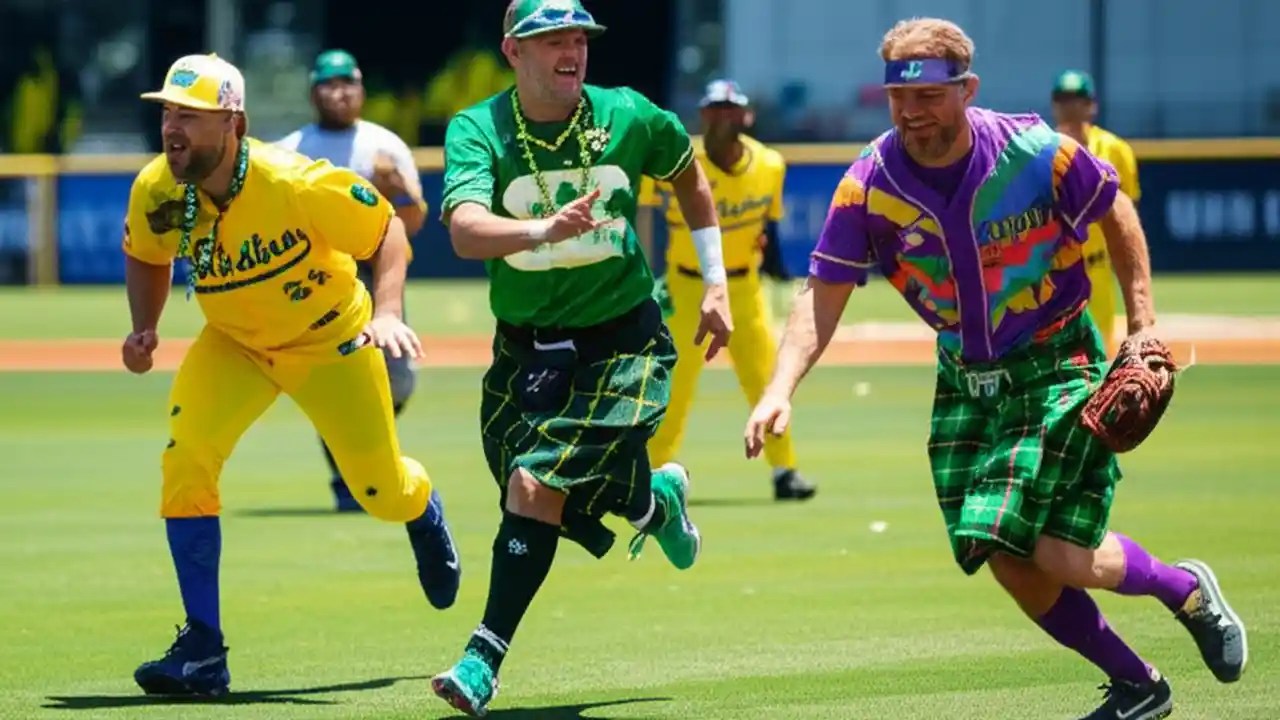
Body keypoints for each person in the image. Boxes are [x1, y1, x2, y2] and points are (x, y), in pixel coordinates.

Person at [744, 19, 1246, 720]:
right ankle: (1151, 663)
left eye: (930, 97)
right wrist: (778, 388)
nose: (912, 114)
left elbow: (1117, 212)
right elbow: (820, 299)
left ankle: (1175, 609)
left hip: (1057, 360)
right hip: (966, 379)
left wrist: (1143, 328)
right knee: (1021, 561)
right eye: (898, 98)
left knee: (1044, 551)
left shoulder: (1034, 151)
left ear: (967, 89)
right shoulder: (868, 186)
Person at [120, 53, 461, 697]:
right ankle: (202, 651)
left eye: (191, 116)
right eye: (167, 111)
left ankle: (421, 508)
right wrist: (145, 327)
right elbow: (146, 252)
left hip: (329, 338)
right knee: (187, 460)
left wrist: (388, 312)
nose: (173, 127)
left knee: (379, 492)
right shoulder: (159, 187)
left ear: (234, 124)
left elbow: (387, 230)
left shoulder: (297, 181)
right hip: (236, 344)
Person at [428, 1, 732, 715]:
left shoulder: (629, 114)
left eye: (579, 40)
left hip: (622, 338)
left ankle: (483, 659)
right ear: (513, 51)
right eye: (551, 41)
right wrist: (542, 228)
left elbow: (690, 177)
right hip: (524, 350)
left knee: (534, 487)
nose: (572, 52)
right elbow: (467, 232)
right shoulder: (479, 128)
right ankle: (651, 500)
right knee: (530, 487)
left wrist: (714, 280)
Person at [639, 79, 815, 501]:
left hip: (744, 286)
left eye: (729, 109)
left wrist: (777, 267)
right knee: (673, 385)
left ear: (745, 116)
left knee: (767, 381)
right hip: (685, 286)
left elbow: (767, 226)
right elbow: (644, 210)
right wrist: (645, 272)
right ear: (702, 115)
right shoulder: (679, 161)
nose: (721, 117)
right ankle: (649, 475)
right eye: (713, 109)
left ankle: (784, 471)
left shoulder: (770, 164)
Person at [276, 49, 430, 512]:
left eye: (348, 84)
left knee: (398, 381)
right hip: (319, 279)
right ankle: (349, 479)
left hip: (375, 272)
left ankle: (355, 455)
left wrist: (395, 188)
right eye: (329, 84)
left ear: (361, 91)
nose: (339, 93)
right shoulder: (290, 151)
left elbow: (415, 220)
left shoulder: (383, 145)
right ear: (313, 92)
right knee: (335, 382)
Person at [1051, 69, 1142, 357]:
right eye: (1063, 98)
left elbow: (1127, 212)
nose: (1071, 106)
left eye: (1078, 98)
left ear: (1092, 104)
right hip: (1055, 268)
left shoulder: (1115, 149)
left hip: (1098, 268)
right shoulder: (1040, 149)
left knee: (1099, 353)